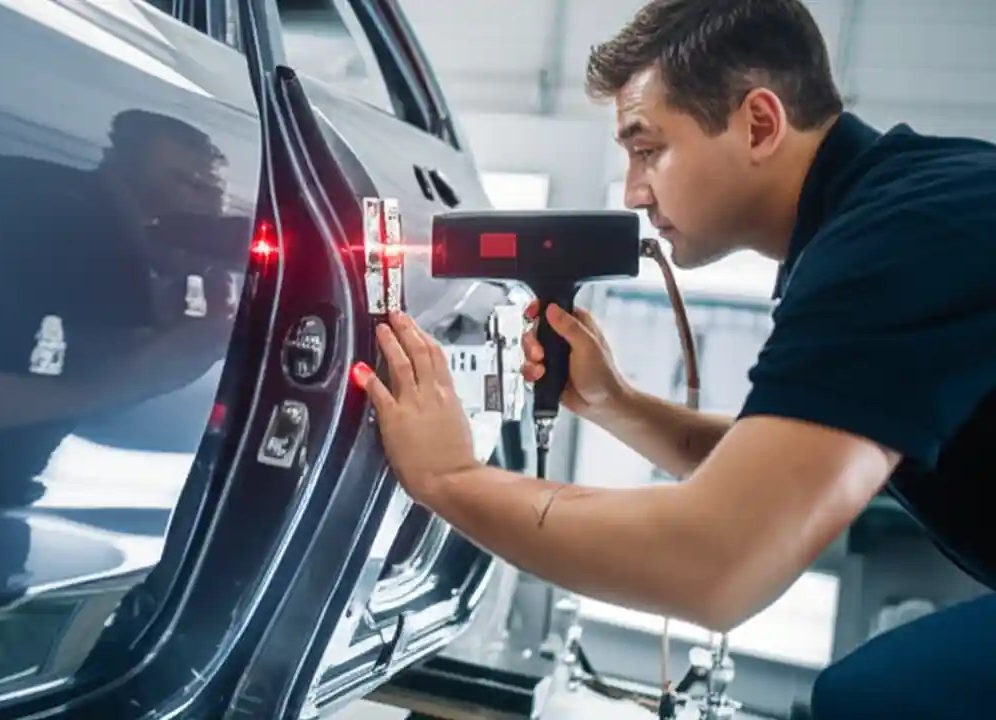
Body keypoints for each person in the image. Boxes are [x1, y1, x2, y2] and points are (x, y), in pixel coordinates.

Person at [351, 0, 996, 716]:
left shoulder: (894, 242)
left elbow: (715, 564)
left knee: (878, 700)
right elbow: (778, 473)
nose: (632, 192)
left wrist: (448, 476)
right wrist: (616, 406)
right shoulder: (902, 207)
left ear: (759, 123)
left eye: (648, 148)